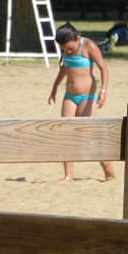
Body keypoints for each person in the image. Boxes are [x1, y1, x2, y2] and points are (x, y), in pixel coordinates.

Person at [48, 25, 116, 183]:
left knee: (89, 135)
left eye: (70, 48)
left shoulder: (88, 46)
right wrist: (54, 88)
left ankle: (108, 169)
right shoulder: (67, 50)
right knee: (66, 133)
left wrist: (103, 92)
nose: (68, 51)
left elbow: (104, 69)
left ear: (76, 39)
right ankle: (68, 175)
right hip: (70, 96)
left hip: (88, 96)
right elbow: (64, 69)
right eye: (64, 49)